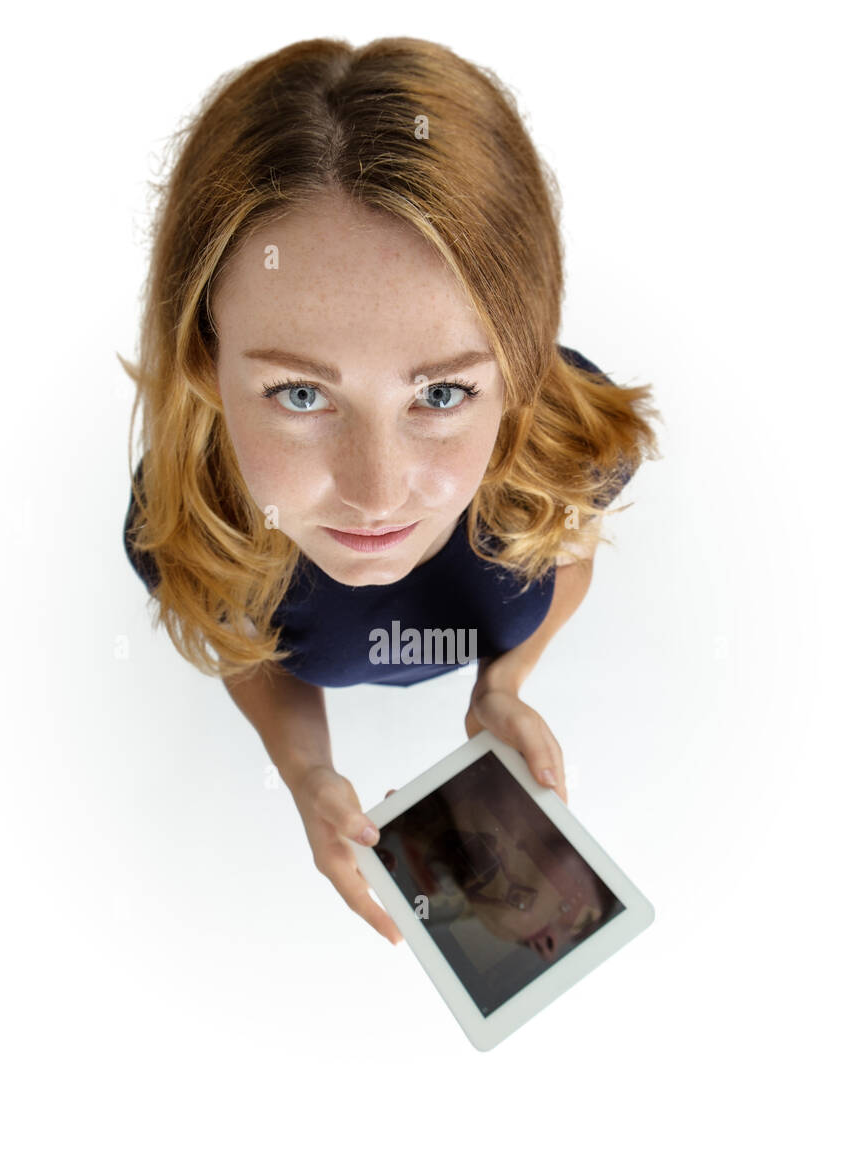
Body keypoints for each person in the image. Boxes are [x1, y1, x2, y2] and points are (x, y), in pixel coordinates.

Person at [120, 37, 661, 947]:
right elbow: (241, 640)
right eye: (301, 395)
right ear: (204, 359)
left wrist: (505, 681)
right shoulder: (185, 513)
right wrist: (306, 770)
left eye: (442, 394)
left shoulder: (564, 440)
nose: (376, 496)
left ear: (522, 369)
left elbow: (566, 544)